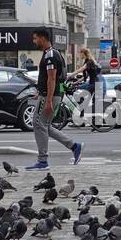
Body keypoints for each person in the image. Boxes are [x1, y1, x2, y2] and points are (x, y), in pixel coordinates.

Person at [27, 28, 82, 170]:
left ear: (42, 38)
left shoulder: (50, 55)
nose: (34, 41)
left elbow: (52, 78)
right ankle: (74, 146)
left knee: (38, 123)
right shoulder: (52, 53)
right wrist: (41, 94)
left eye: (35, 38)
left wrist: (48, 99)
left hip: (51, 95)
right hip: (52, 94)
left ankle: (43, 160)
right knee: (45, 125)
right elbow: (52, 79)